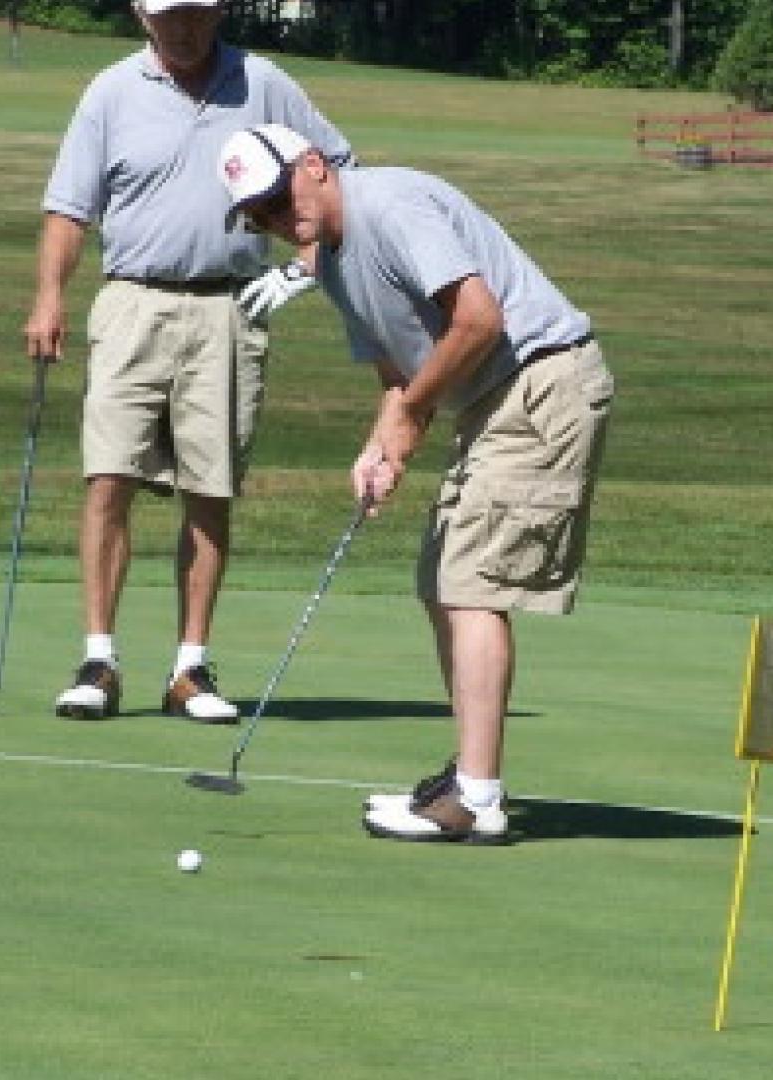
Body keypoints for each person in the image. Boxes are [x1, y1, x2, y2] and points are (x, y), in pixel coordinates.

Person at [217, 123, 615, 845]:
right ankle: (469, 774)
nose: (280, 220)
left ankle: (478, 797)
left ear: (314, 165)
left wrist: (411, 413)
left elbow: (478, 321)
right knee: (442, 579)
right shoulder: (335, 267)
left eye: (281, 198)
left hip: (540, 384)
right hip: (494, 402)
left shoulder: (390, 205)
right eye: (261, 217)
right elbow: (400, 374)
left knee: (473, 584)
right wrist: (382, 446)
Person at [24, 0, 354, 724]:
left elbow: (337, 175)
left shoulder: (263, 83)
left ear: (220, 10)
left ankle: (190, 670)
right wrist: (49, 297)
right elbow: (68, 210)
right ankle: (99, 660)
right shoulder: (110, 92)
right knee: (109, 476)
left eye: (199, 11)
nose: (186, 26)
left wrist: (303, 269)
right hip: (133, 302)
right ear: (143, 13)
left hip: (231, 309)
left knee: (212, 487)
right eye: (172, 13)